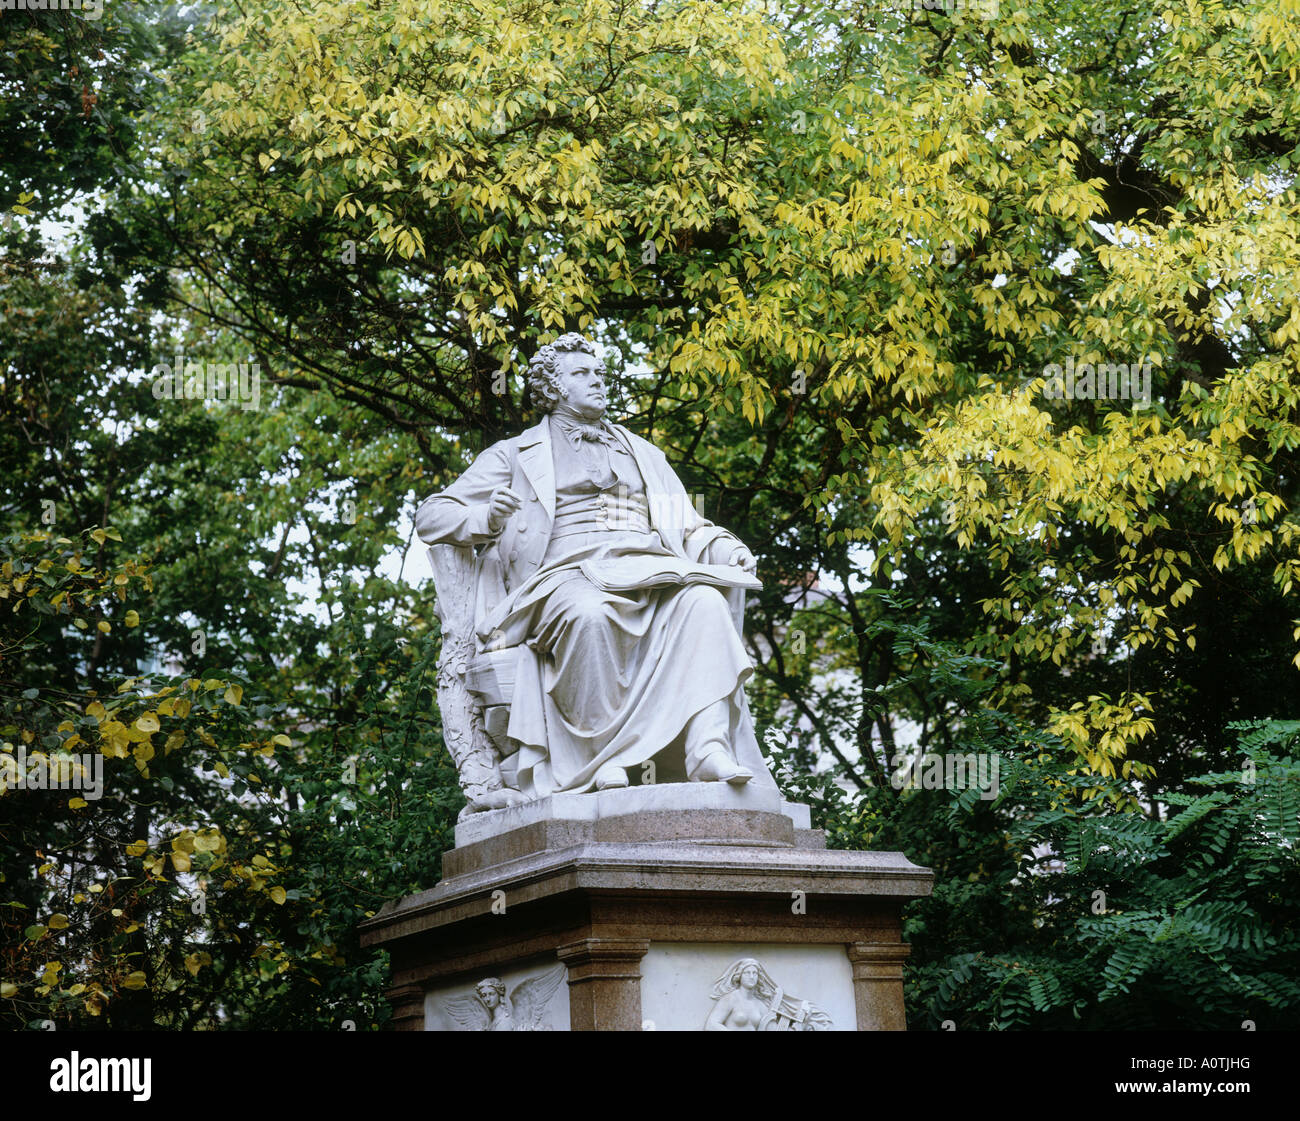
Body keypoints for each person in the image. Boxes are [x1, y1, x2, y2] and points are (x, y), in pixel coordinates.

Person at [415, 333, 776, 797]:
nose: (597, 380)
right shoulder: (514, 454)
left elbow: (688, 527)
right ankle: (602, 762)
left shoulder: (644, 453)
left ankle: (707, 748)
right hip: (563, 574)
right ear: (553, 388)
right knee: (590, 615)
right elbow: (431, 516)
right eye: (581, 373)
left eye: (599, 372)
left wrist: (727, 549)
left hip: (649, 567)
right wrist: (485, 518)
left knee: (704, 601)